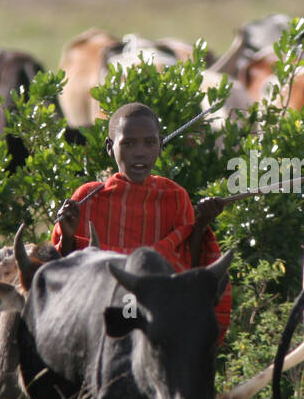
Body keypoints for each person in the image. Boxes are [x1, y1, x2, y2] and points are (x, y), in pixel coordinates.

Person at [51, 102, 231, 344]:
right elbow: (65, 272)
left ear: (160, 145)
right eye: (128, 143)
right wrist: (69, 235)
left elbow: (188, 266)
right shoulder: (88, 198)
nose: (140, 152)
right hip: (98, 319)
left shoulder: (175, 197)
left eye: (150, 143)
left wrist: (200, 227)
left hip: (157, 322)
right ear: (109, 147)